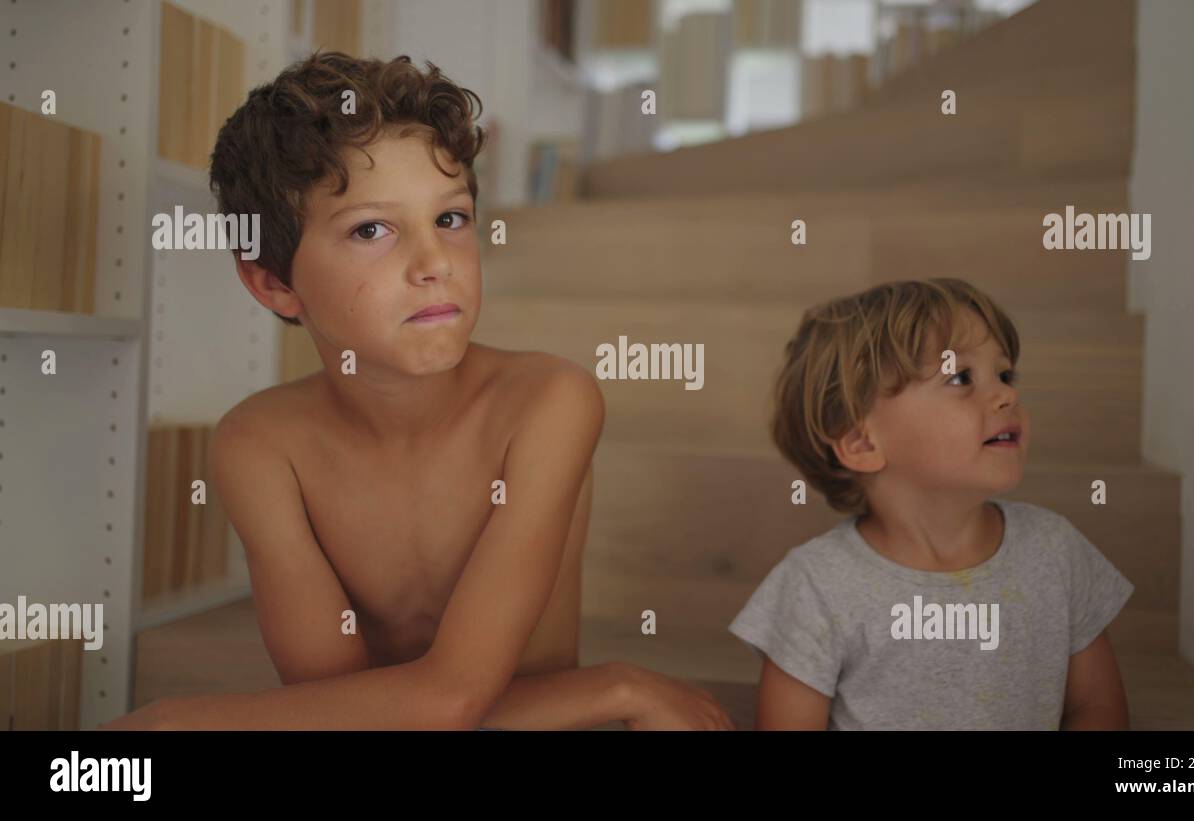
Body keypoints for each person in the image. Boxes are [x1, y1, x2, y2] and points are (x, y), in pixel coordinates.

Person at [103, 52, 731, 730]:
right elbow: (341, 717)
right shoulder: (259, 445)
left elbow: (441, 699)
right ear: (273, 283)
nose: (434, 264)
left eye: (451, 219)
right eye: (372, 229)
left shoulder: (550, 402)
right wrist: (616, 688)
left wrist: (173, 722)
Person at [730, 278, 1133, 730]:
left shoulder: (1056, 551)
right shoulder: (815, 586)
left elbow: (1096, 708)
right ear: (862, 442)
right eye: (960, 377)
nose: (1008, 394)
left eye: (1004, 374)